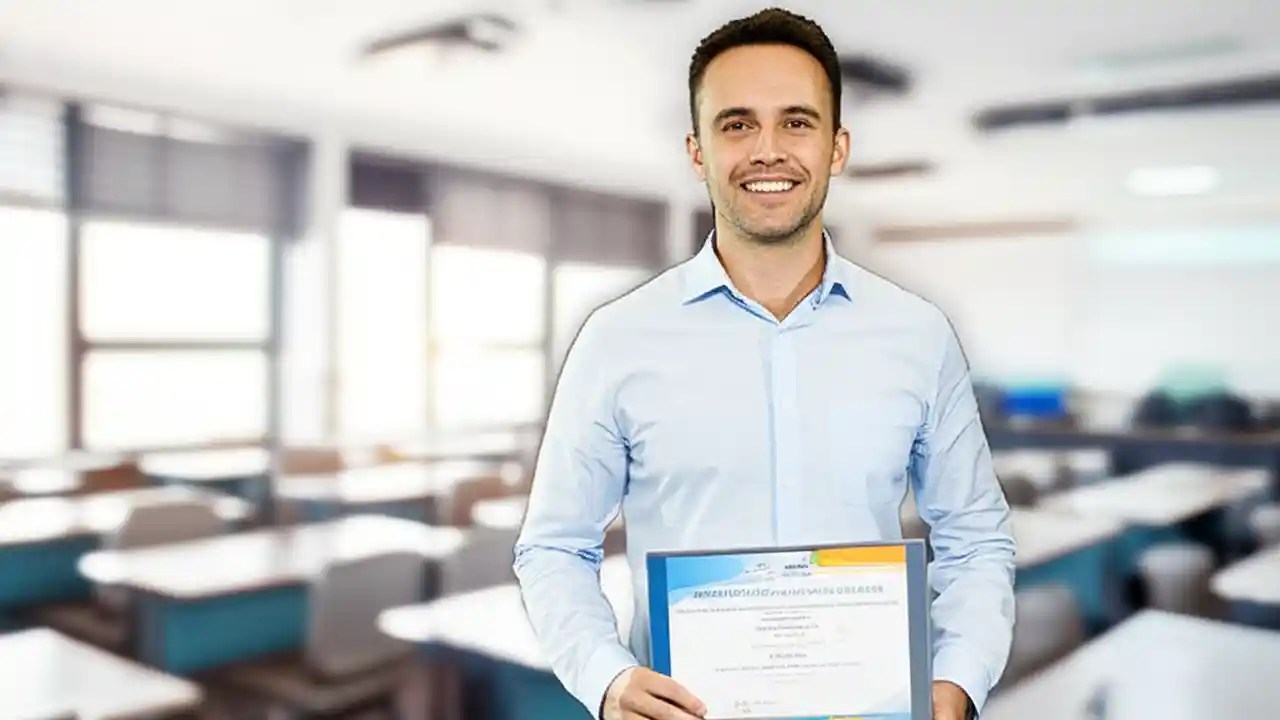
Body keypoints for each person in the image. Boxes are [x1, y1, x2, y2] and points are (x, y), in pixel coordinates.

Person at [514, 7, 1014, 720]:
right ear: (697, 152)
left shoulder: (918, 335)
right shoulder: (616, 339)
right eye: (737, 123)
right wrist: (608, 679)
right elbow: (554, 548)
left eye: (797, 122)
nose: (768, 149)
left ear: (838, 147)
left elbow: (976, 538)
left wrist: (957, 682)